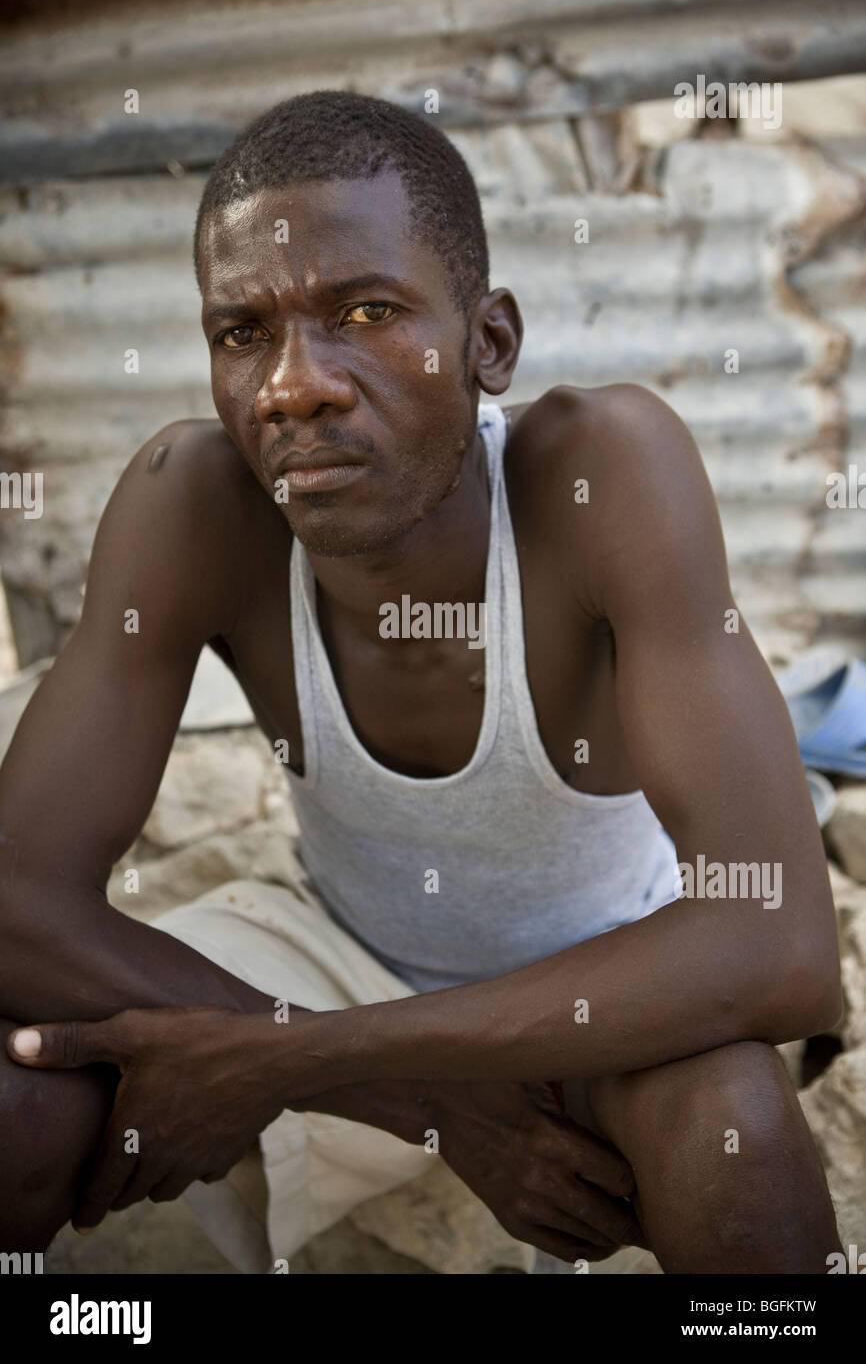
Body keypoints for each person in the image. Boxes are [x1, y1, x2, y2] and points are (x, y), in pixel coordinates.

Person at [0, 91, 842, 1275]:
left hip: (607, 972)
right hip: (333, 956)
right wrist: (428, 1097)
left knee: (734, 1140)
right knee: (18, 1099)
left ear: (488, 343)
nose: (293, 385)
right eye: (241, 331)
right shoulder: (192, 501)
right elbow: (15, 901)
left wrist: (298, 1057)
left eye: (365, 312)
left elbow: (778, 943)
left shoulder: (603, 470)